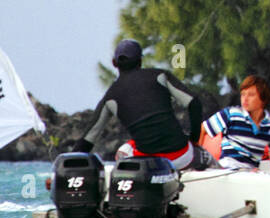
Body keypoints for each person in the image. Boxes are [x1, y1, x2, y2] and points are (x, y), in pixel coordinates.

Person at [80, 39, 205, 171]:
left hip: (148, 165)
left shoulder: (110, 97)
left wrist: (72, 167)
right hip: (181, 157)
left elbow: (89, 138)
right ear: (140, 61)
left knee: (124, 150)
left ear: (114, 63)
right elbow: (194, 103)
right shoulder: (160, 76)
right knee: (198, 153)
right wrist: (194, 139)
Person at [201, 75, 270, 174]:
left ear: (263, 99)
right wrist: (196, 162)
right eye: (243, 94)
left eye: (251, 95)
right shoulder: (231, 114)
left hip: (251, 172)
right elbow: (202, 129)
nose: (245, 99)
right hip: (227, 169)